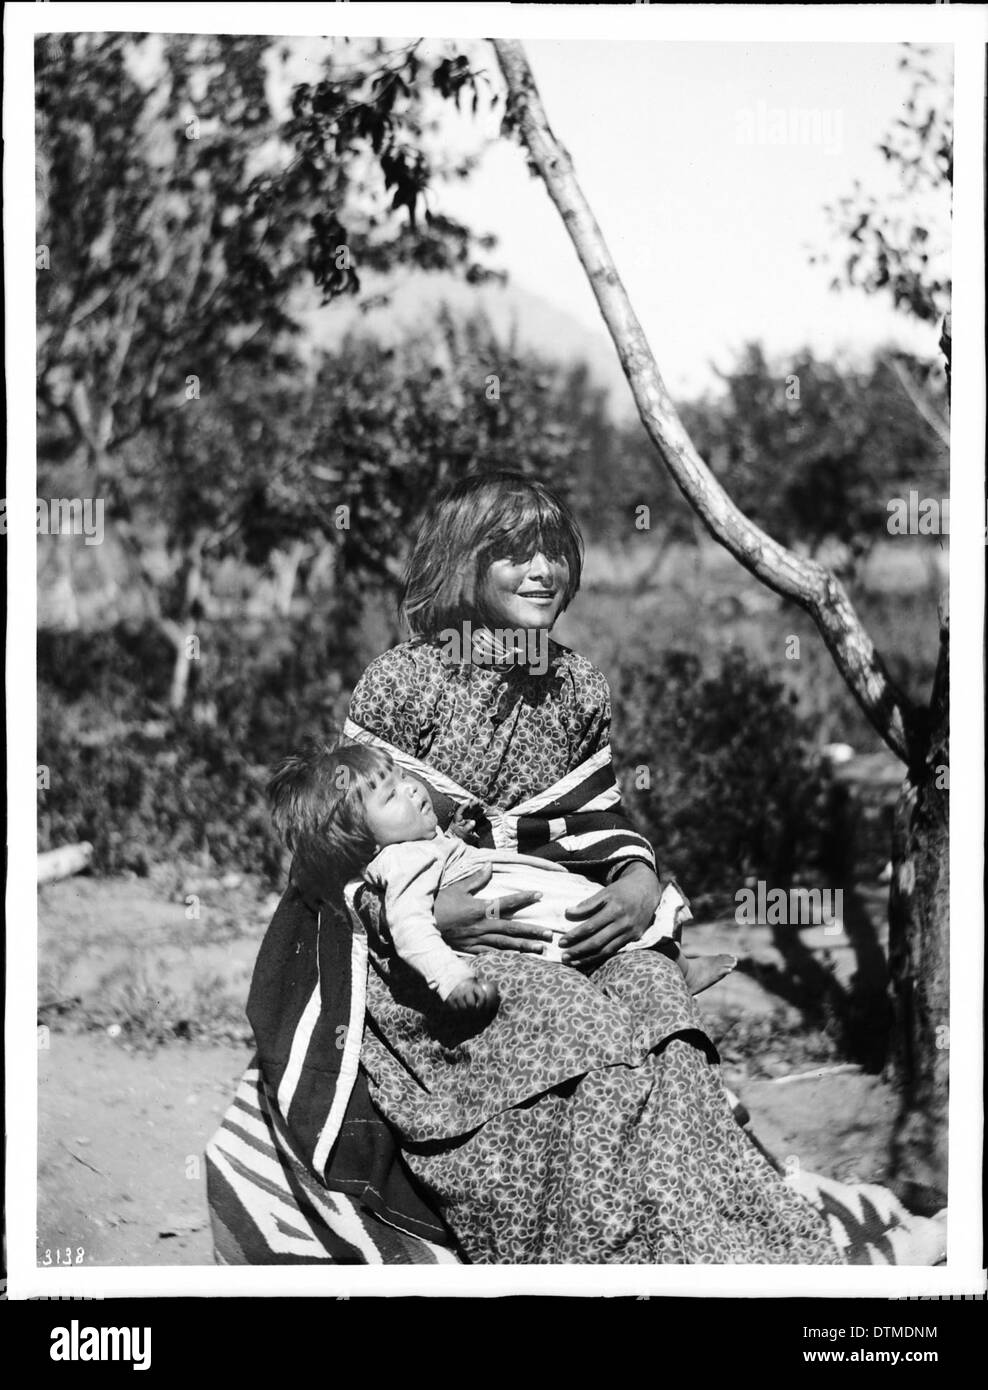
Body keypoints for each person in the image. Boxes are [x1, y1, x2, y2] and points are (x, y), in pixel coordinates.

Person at [206, 471, 947, 1266]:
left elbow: (595, 821)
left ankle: (754, 1238)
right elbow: (340, 837)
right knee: (579, 1026)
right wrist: (405, 916)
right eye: (513, 553)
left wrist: (635, 884)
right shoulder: (403, 682)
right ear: (463, 565)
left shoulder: (575, 686)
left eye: (555, 550)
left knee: (658, 1001)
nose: (542, 569)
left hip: (562, 919)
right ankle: (595, 1238)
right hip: (443, 954)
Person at [266, 741, 733, 1013]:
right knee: (593, 931)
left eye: (402, 777)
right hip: (522, 923)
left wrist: (455, 835)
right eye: (391, 797)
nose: (411, 787)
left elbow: (444, 858)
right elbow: (411, 927)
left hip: (520, 896)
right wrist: (452, 981)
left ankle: (676, 969)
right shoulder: (400, 861)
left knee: (599, 918)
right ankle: (678, 970)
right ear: (365, 843)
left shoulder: (415, 843)